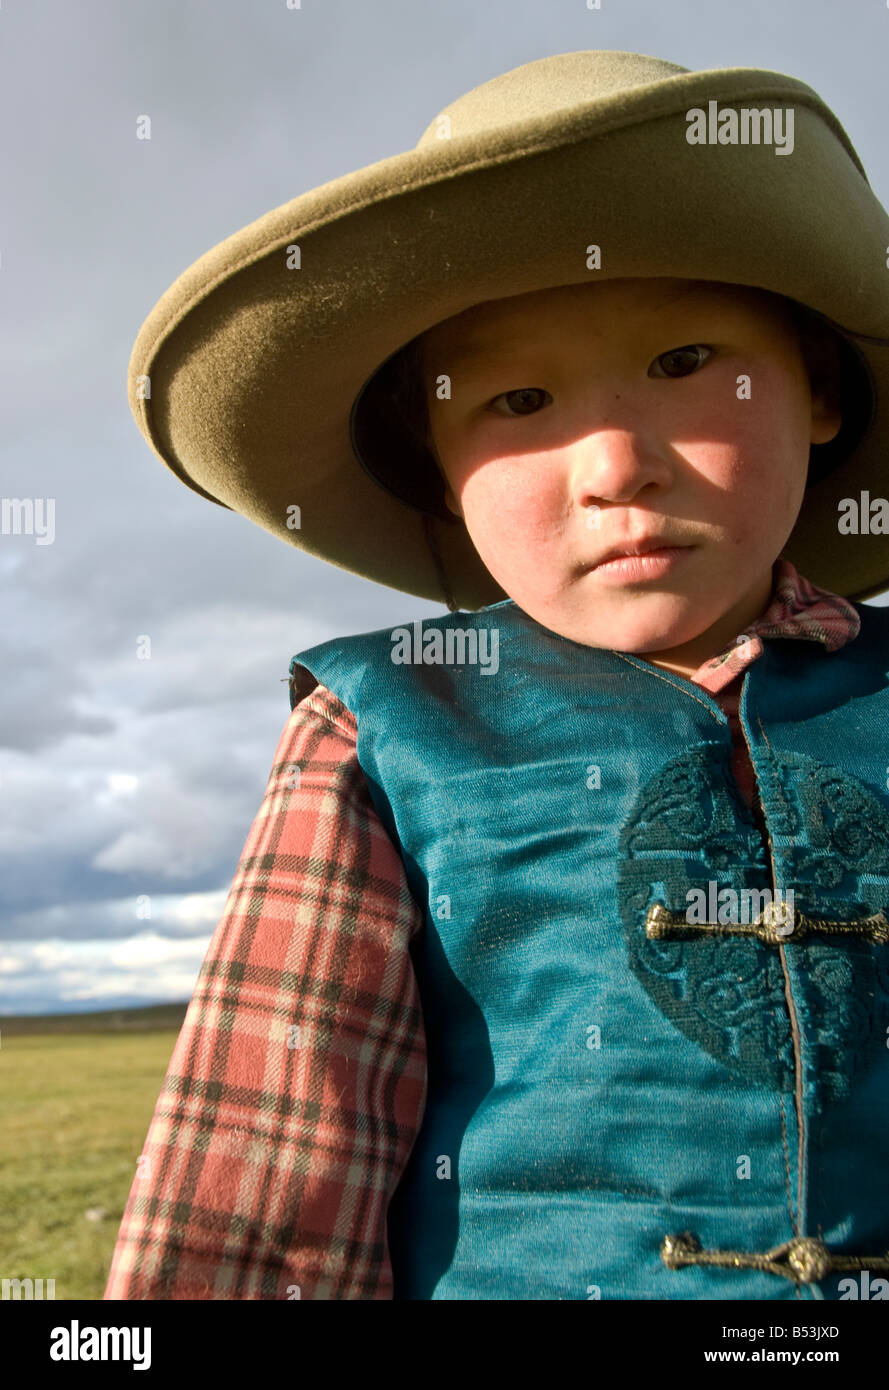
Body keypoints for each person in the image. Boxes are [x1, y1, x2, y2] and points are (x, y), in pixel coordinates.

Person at [104, 49, 889, 1301]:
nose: (614, 464)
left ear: (820, 389)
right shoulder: (383, 730)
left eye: (688, 363)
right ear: (436, 472)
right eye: (519, 399)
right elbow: (262, 1189)